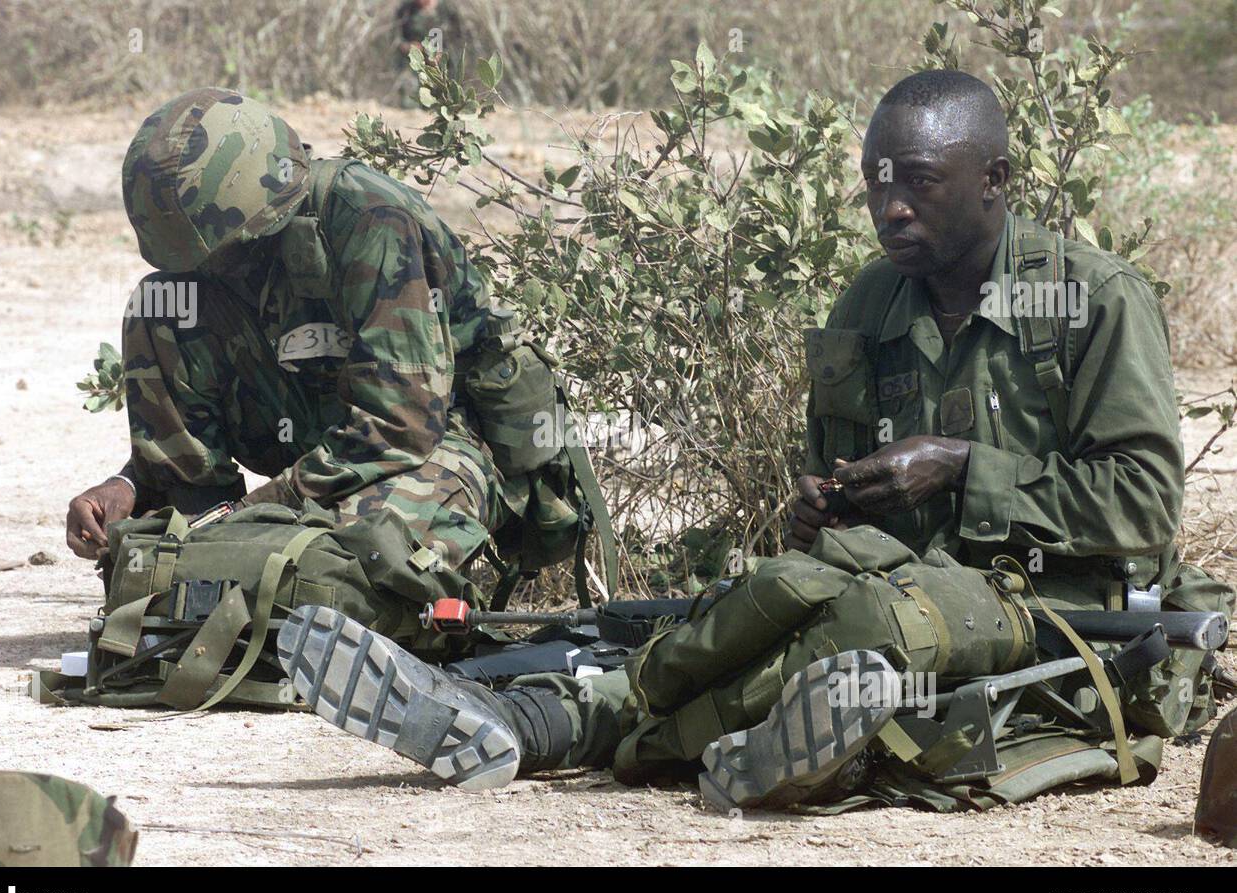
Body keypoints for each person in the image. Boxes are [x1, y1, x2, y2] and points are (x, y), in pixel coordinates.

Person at [280, 70, 1233, 807]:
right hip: (888, 577)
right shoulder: (870, 300)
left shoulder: (1093, 301)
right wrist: (819, 503)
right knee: (774, 589)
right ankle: (732, 745)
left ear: (996, 182)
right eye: (876, 186)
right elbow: (827, 501)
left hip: (1061, 604)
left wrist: (958, 467)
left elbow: (1141, 507)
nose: (891, 209)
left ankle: (556, 726)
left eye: (922, 186)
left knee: (869, 625)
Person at [65, 88, 505, 580]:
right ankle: (204, 546)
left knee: (346, 564)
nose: (210, 271)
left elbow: (401, 424)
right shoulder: (210, 270)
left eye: (222, 254)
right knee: (160, 303)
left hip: (431, 446)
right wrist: (132, 486)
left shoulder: (370, 221)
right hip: (314, 449)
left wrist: (258, 513)